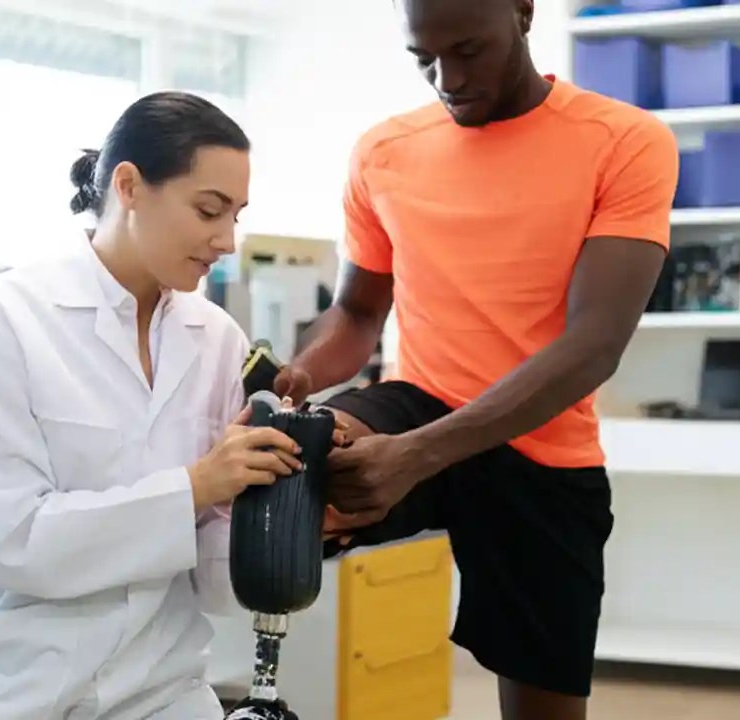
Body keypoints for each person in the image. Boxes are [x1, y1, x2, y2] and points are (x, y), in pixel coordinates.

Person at [277, 1, 679, 719]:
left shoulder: (624, 140)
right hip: (417, 403)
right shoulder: (383, 152)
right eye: (423, 58)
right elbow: (360, 313)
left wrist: (419, 457)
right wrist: (302, 375)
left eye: (468, 50)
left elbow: (594, 346)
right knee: (295, 475)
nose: (447, 78)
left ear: (524, 12)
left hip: (541, 443)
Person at [0, 91, 305, 720]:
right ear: (129, 186)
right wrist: (196, 485)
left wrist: (283, 517)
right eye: (208, 210)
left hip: (161, 691)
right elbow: (11, 543)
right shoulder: (6, 318)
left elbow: (217, 585)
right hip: (7, 689)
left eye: (237, 216)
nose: (227, 240)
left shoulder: (217, 337)